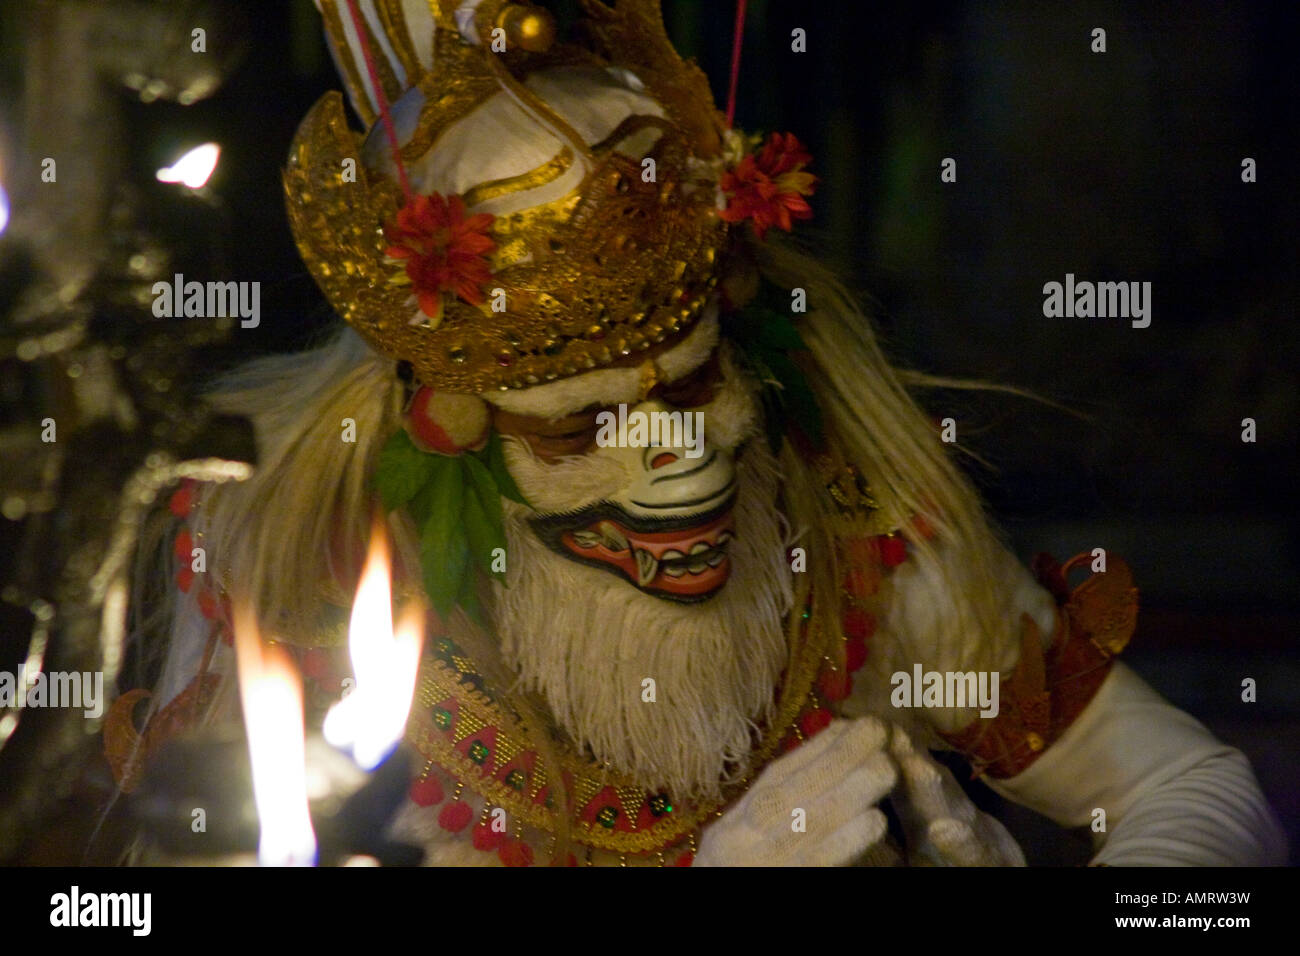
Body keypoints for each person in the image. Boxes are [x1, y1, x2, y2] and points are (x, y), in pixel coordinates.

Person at [109, 0, 1285, 867]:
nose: (684, 454)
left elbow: (1193, 787)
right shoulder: (296, 606)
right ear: (450, 425)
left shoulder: (857, 528)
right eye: (579, 427)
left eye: (694, 384)